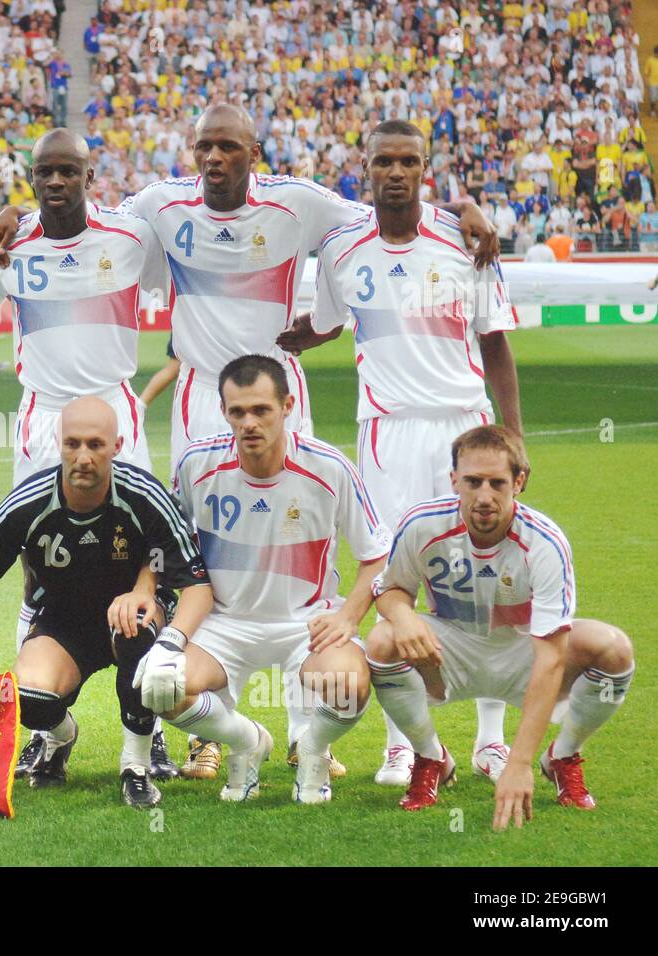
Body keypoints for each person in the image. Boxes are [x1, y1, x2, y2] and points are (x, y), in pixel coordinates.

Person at [0, 106, 497, 776]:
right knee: (199, 552)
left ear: (254, 151)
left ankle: (306, 730)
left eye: (228, 147)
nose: (215, 158)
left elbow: (388, 207)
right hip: (200, 394)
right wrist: (15, 214)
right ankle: (204, 732)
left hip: (280, 392)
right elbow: (70, 199)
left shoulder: (298, 206)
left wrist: (464, 207)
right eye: (204, 147)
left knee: (308, 540)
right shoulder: (163, 206)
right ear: (192, 152)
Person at [294, 120, 523, 787]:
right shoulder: (341, 247)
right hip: (387, 433)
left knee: (490, 580)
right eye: (383, 162)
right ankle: (405, 745)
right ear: (366, 169)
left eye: (408, 161)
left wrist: (513, 435)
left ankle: (489, 740)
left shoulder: (467, 240)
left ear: (426, 168)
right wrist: (280, 341)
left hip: (465, 426)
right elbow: (327, 322)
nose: (395, 172)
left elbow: (495, 343)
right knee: (397, 583)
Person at [0, 128, 178, 776]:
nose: (56, 182)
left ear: (90, 175)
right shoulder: (11, 242)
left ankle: (152, 720)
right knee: (38, 558)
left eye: (68, 171)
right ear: (32, 179)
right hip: (42, 416)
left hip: (116, 410)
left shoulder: (130, 236)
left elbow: (188, 279)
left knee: (147, 557)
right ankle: (46, 725)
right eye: (45, 172)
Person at [0, 397, 214, 808]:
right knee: (29, 699)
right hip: (63, 620)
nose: (83, 457)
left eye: (95, 444)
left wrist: (171, 642)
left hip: (132, 614)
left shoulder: (145, 495)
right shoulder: (27, 504)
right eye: (73, 444)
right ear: (58, 444)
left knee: (136, 636)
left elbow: (196, 583)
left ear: (118, 445)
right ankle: (59, 737)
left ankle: (136, 767)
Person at [367, 426, 634, 828]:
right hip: (449, 653)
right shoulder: (422, 524)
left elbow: (550, 658)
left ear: (519, 482)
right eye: (473, 482)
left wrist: (520, 763)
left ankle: (561, 756)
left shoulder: (545, 542)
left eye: (498, 483)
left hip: (522, 654)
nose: (485, 496)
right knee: (382, 639)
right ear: (454, 479)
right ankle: (431, 757)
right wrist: (403, 616)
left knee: (614, 649)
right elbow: (390, 590)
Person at [157, 355, 388, 804]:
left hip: (306, 623)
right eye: (237, 411)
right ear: (223, 411)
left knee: (351, 685)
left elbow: (377, 556)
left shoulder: (328, 468)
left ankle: (313, 749)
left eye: (261, 410)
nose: (249, 423)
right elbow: (163, 542)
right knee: (162, 688)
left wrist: (348, 616)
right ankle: (247, 741)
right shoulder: (196, 465)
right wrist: (149, 593)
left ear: (287, 405)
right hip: (223, 622)